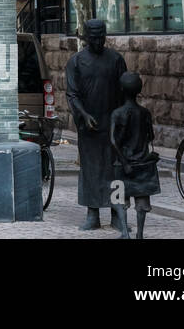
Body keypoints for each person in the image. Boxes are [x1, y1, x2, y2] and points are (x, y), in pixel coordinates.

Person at [66, 19, 128, 231]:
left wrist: (123, 120)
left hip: (113, 125)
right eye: (93, 38)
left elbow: (125, 91)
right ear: (85, 37)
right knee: (91, 170)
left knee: (116, 170)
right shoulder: (76, 61)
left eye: (101, 37)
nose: (98, 41)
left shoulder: (116, 60)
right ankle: (92, 213)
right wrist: (83, 115)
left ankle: (118, 214)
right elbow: (72, 94)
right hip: (89, 126)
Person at [110, 71, 160, 239]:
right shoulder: (145, 113)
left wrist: (124, 162)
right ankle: (140, 233)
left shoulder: (117, 113)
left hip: (122, 163)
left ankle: (125, 232)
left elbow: (113, 140)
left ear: (121, 89)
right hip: (143, 163)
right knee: (142, 201)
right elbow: (150, 137)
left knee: (118, 199)